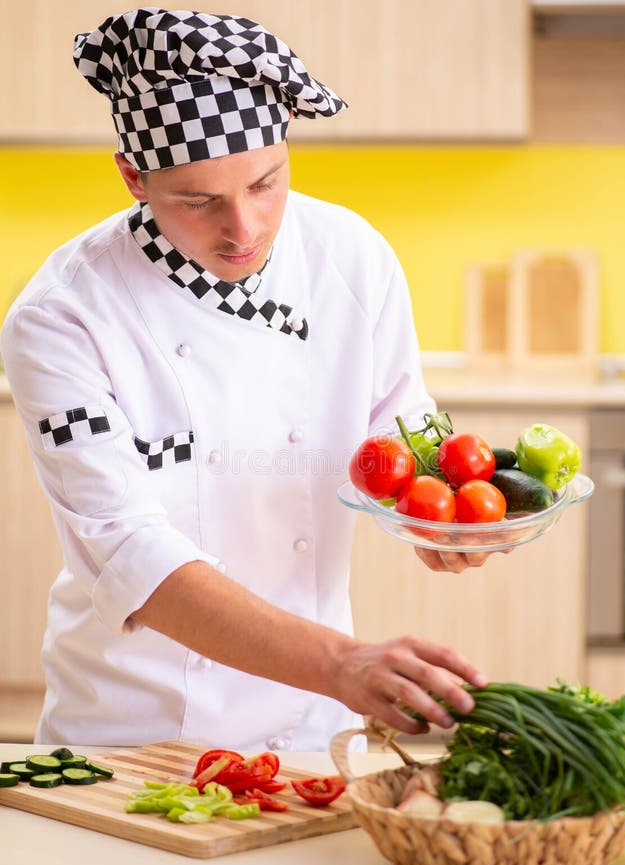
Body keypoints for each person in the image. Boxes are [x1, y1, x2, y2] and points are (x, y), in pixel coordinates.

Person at [1, 8, 493, 752]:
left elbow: (405, 424)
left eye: (266, 183)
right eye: (198, 200)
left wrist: (440, 512)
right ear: (133, 176)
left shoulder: (351, 256)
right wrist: (343, 662)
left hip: (314, 723)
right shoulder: (63, 317)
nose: (245, 229)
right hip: (133, 729)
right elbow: (133, 556)